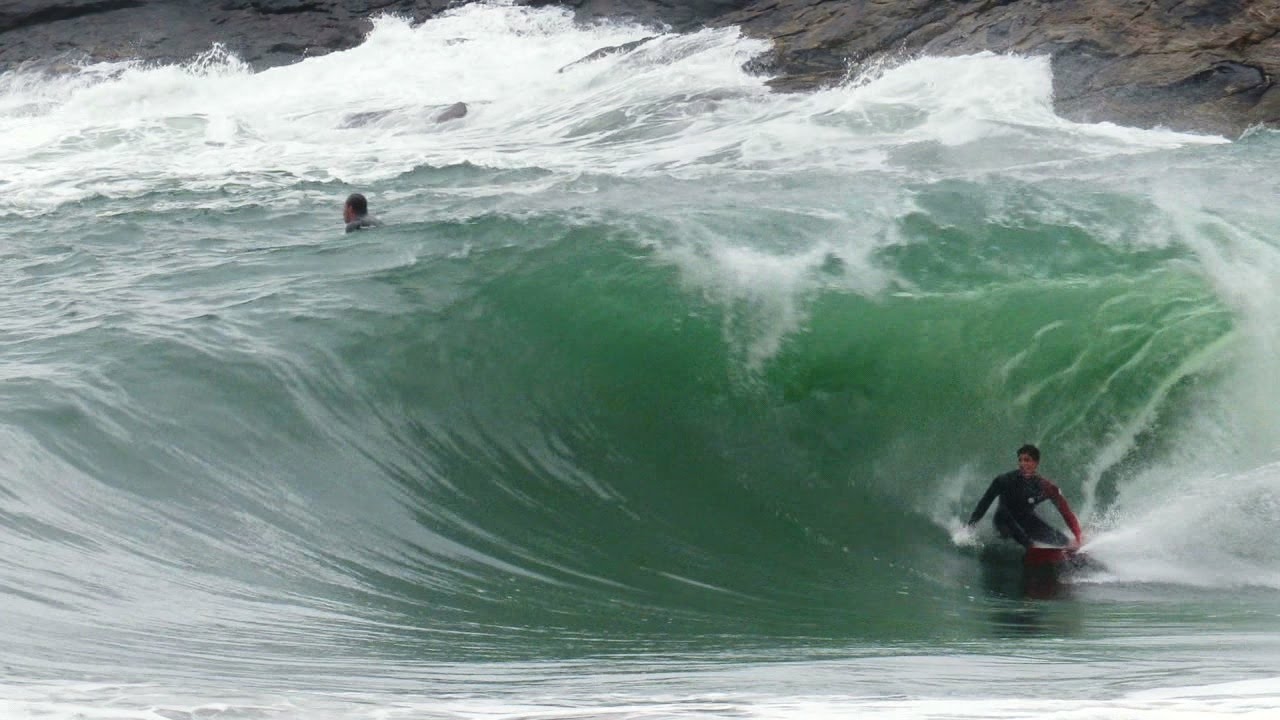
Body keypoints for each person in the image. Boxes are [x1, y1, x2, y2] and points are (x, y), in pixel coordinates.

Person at [966, 444, 1083, 549]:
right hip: (1004, 521)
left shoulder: (1047, 487)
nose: (1022, 464)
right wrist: (970, 527)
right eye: (1020, 460)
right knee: (1024, 538)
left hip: (1026, 521)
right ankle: (1030, 547)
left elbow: (1066, 512)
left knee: (1066, 542)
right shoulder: (1004, 480)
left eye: (1027, 460)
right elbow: (984, 503)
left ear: (1036, 463)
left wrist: (1078, 535)